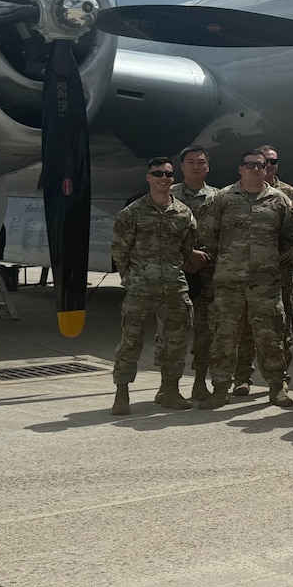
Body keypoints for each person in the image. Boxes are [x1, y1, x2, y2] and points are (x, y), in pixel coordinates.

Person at [198, 150, 293, 410]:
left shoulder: (280, 200)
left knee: (271, 337)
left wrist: (281, 256)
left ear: (266, 169)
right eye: (250, 165)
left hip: (266, 284)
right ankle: (221, 388)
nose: (256, 169)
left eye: (260, 165)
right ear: (240, 169)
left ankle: (276, 387)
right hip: (228, 283)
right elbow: (207, 236)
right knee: (224, 337)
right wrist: (222, 262)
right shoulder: (221, 199)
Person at [108, 157, 197, 415]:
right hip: (141, 288)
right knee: (131, 341)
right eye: (158, 173)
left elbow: (186, 249)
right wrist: (131, 278)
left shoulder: (183, 213)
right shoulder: (132, 213)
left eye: (168, 174)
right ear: (148, 177)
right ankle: (122, 393)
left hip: (173, 288)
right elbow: (119, 251)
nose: (163, 178)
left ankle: (171, 391)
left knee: (175, 342)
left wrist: (172, 272)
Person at [232, 144, 293, 394]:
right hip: (245, 274)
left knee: (280, 327)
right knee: (244, 327)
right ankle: (242, 376)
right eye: (264, 162)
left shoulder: (288, 193)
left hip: (279, 275)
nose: (268, 166)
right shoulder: (236, 194)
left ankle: (281, 377)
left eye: (273, 162)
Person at [172, 145, 218, 401]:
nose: (196, 166)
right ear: (182, 166)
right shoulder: (168, 195)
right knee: (171, 332)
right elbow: (158, 234)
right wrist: (187, 255)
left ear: (208, 167)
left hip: (208, 275)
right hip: (175, 274)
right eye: (191, 162)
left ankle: (200, 382)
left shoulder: (218, 198)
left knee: (205, 332)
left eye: (201, 162)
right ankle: (168, 385)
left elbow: (225, 233)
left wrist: (203, 258)